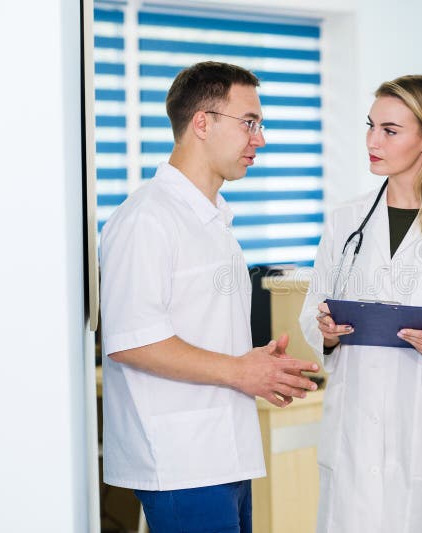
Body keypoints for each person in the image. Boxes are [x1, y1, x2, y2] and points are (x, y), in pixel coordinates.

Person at [99, 61, 320, 533]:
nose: (260, 139)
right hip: (182, 464)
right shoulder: (147, 219)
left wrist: (257, 364)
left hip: (225, 456)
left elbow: (198, 329)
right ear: (202, 123)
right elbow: (132, 340)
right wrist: (241, 370)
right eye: (249, 123)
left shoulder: (213, 220)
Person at [299, 75, 422, 533]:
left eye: (389, 130)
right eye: (371, 126)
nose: (372, 141)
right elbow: (312, 310)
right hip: (352, 439)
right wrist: (325, 333)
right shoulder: (345, 221)